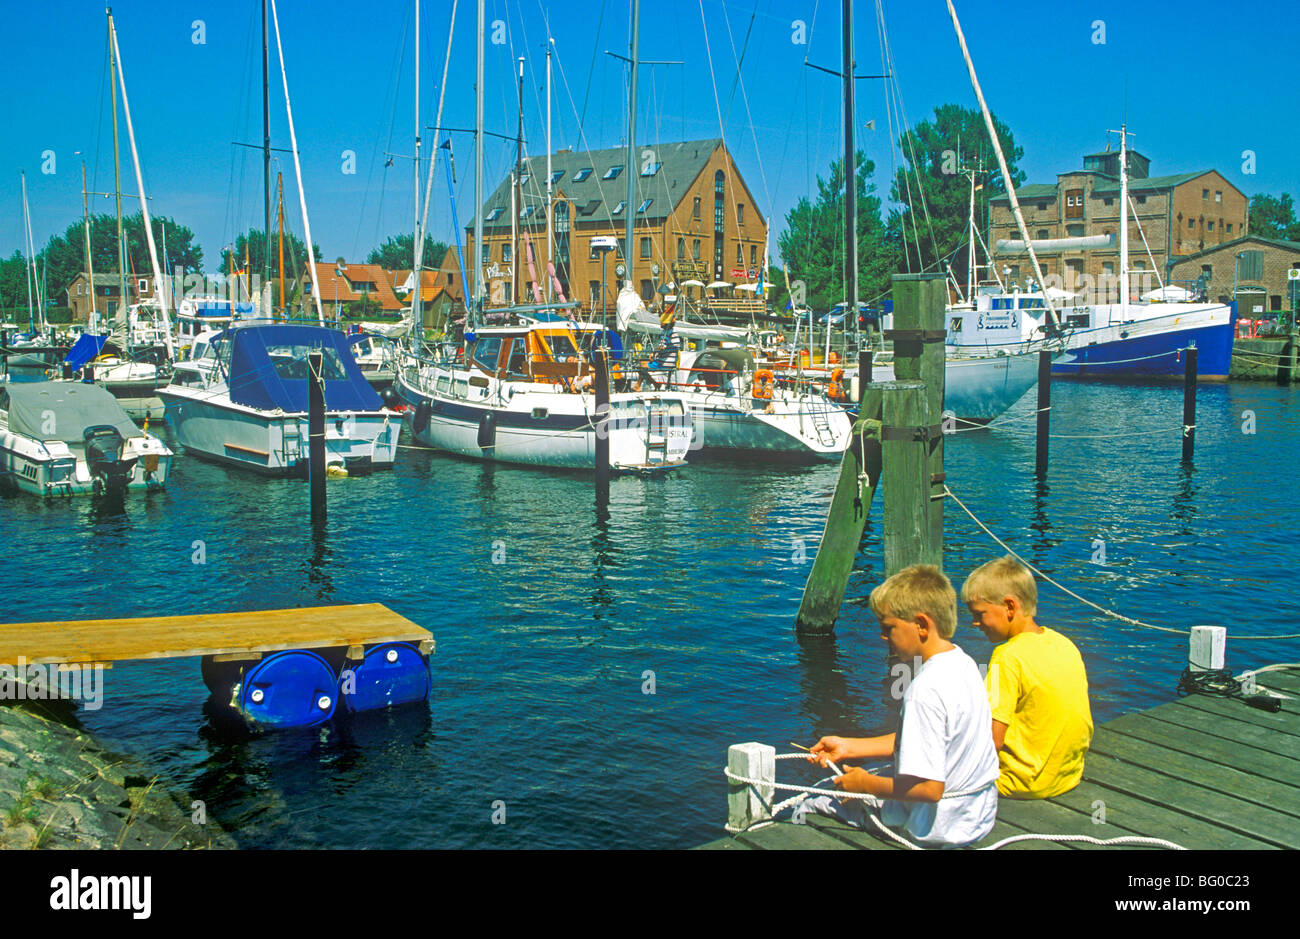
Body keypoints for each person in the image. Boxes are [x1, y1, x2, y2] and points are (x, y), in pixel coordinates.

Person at [804, 565, 999, 848]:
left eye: (888, 628)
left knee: (815, 799)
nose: (883, 637)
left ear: (921, 624)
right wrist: (850, 747)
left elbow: (929, 790)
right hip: (975, 817)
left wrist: (865, 784)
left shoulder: (924, 690)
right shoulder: (964, 664)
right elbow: (931, 741)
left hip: (936, 828)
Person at [961, 556, 1093, 799]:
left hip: (1018, 783)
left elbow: (992, 741)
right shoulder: (1063, 643)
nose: (975, 623)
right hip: (1067, 777)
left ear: (1010, 607)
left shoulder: (1006, 656)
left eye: (980, 614)